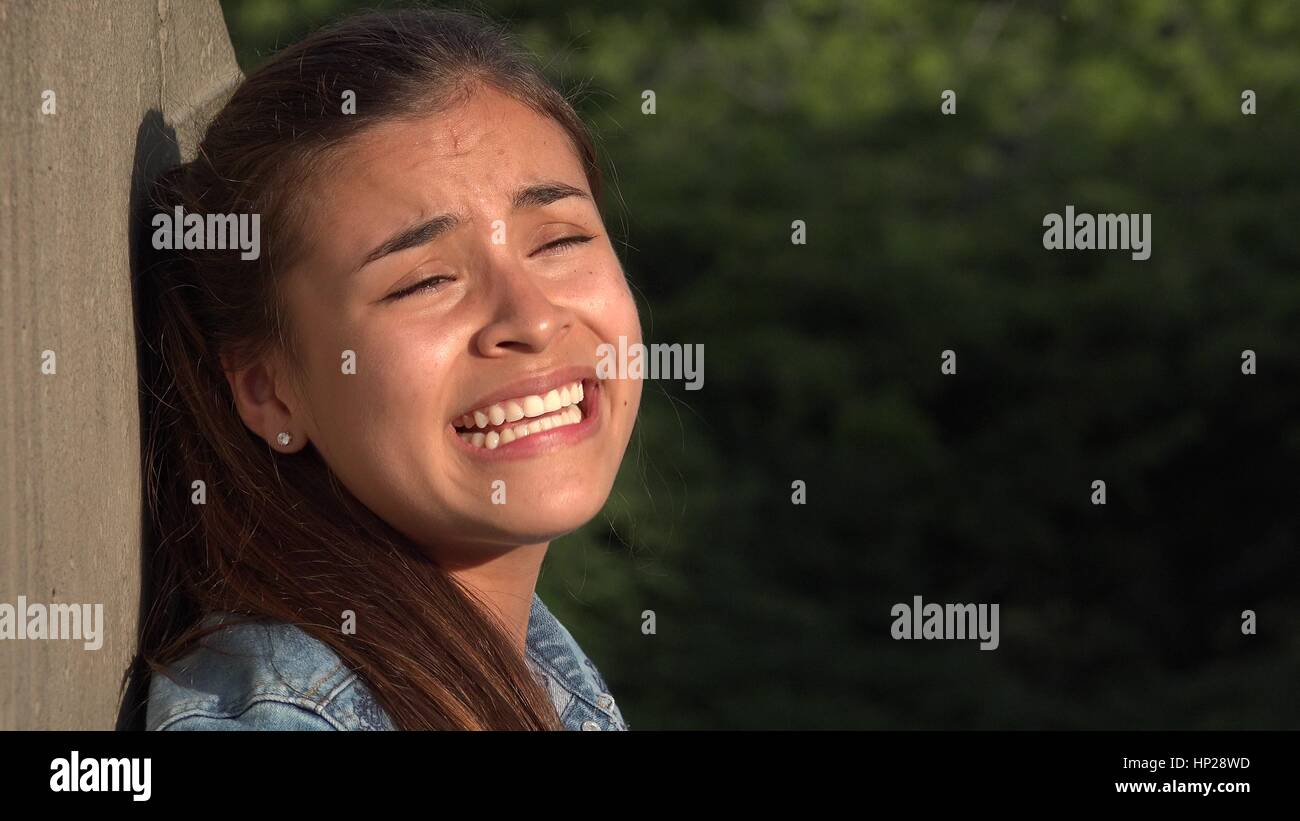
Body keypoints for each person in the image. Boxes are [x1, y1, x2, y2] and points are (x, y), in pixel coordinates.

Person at [134, 6, 642, 730]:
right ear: (268, 390)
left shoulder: (525, 665)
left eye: (557, 241)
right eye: (425, 281)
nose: (530, 319)